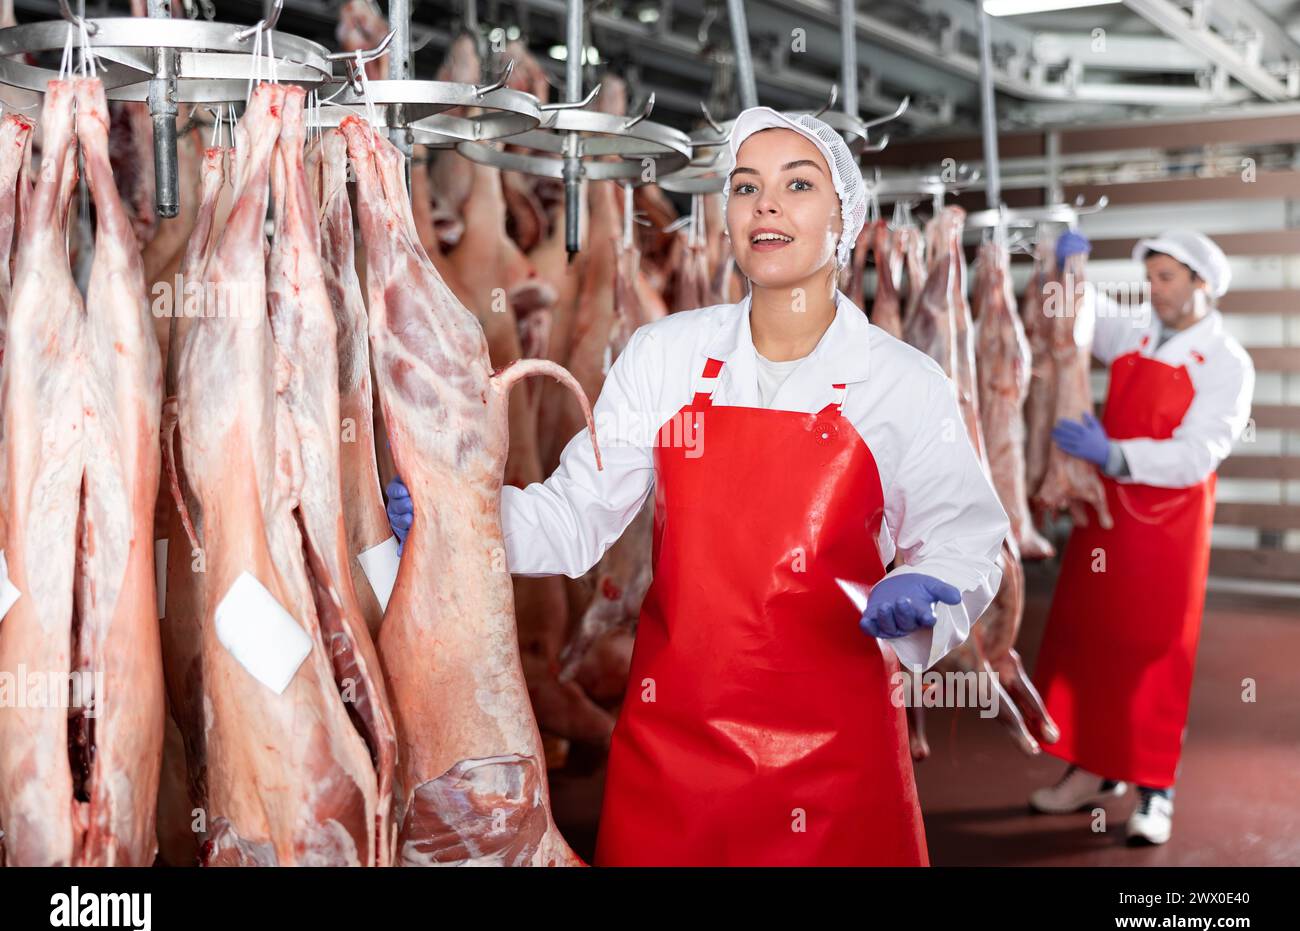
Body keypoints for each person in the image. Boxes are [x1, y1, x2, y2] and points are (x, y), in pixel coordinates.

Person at [387, 106, 1008, 866]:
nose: (766, 205)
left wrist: (926, 581)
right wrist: (462, 516)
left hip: (835, 763)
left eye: (798, 185)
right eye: (745, 187)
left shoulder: (903, 382)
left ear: (846, 215)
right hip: (673, 752)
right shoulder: (667, 356)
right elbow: (580, 511)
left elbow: (968, 539)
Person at [1029, 229, 1255, 846]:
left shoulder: (1228, 361)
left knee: (1155, 654)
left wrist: (1115, 453)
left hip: (1169, 529)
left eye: (1166, 279)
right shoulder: (1138, 329)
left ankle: (1157, 790)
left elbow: (1200, 453)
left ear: (1200, 284)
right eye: (1149, 278)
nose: (1153, 291)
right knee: (1092, 643)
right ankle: (1092, 772)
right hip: (1107, 516)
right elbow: (1091, 318)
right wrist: (1071, 265)